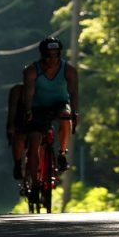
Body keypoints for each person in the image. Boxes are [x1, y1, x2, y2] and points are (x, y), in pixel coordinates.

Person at [21, 37, 79, 186]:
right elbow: (28, 93)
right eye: (48, 55)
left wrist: (75, 113)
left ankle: (62, 153)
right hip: (38, 106)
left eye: (56, 55)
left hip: (59, 103)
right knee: (35, 139)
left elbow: (73, 93)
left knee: (66, 116)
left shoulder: (69, 70)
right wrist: (28, 110)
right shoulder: (32, 70)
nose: (52, 59)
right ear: (42, 55)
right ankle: (34, 181)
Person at [5, 83, 28, 180]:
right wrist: (11, 127)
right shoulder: (17, 91)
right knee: (19, 138)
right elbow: (12, 111)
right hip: (22, 125)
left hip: (40, 122)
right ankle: (18, 164)